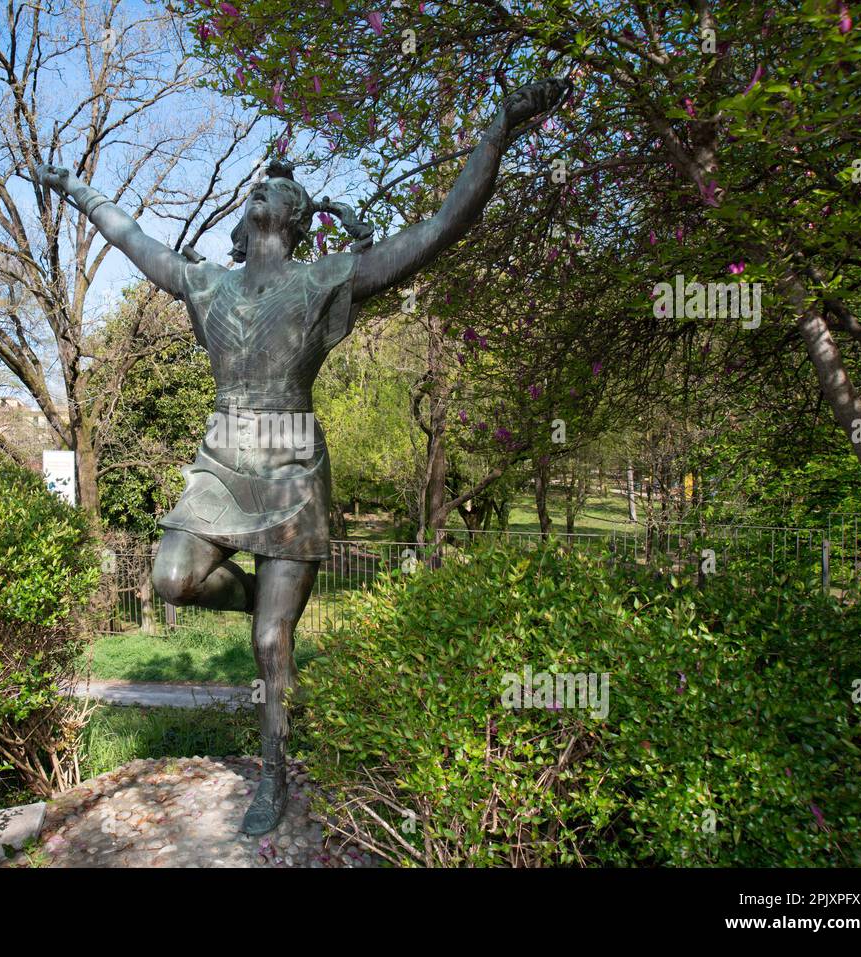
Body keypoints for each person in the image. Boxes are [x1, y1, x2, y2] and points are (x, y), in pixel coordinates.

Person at [37, 76, 570, 835]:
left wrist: (498, 129)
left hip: (290, 466)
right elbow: (133, 238)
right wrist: (75, 189)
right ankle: (271, 603)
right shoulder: (205, 283)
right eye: (258, 186)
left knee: (267, 647)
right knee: (171, 577)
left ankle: (274, 774)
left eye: (277, 190)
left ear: (295, 218)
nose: (263, 192)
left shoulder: (326, 279)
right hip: (221, 461)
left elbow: (446, 224)